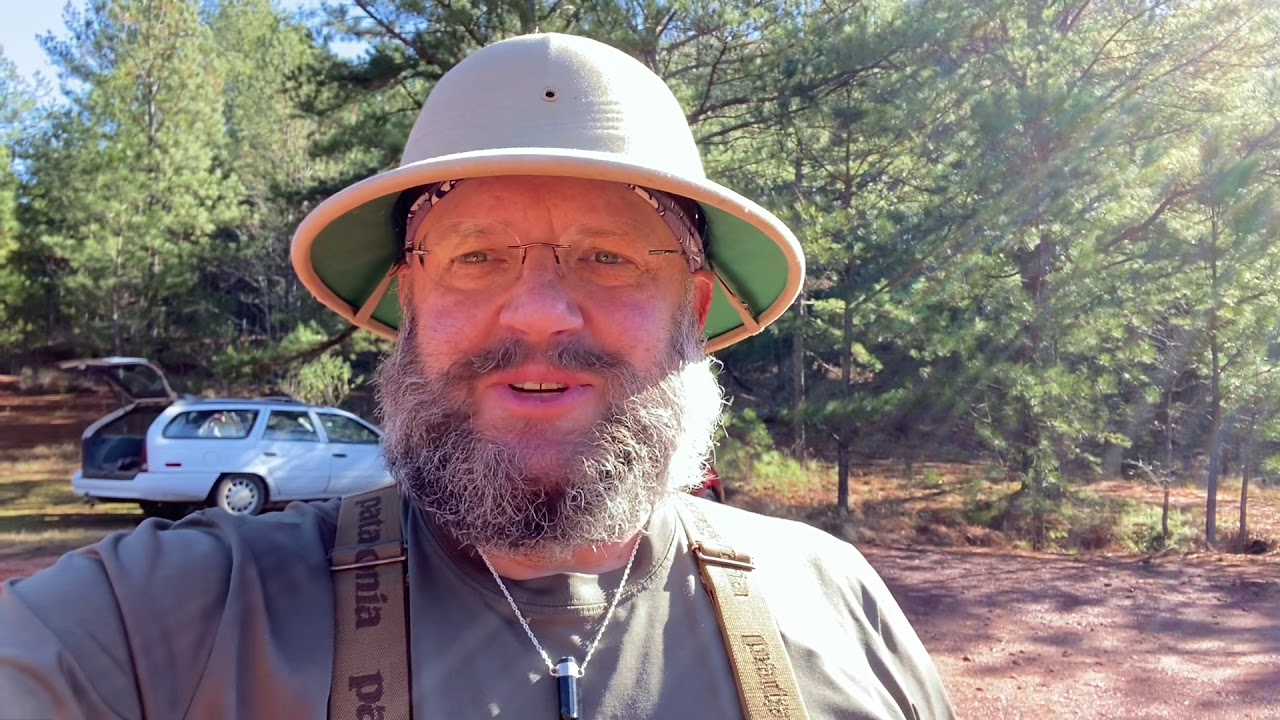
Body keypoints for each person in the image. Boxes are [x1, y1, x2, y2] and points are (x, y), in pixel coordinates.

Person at [0, 33, 954, 719]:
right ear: (411, 300)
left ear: (694, 309)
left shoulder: (831, 598)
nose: (539, 311)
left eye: (611, 258)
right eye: (474, 256)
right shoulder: (180, 619)